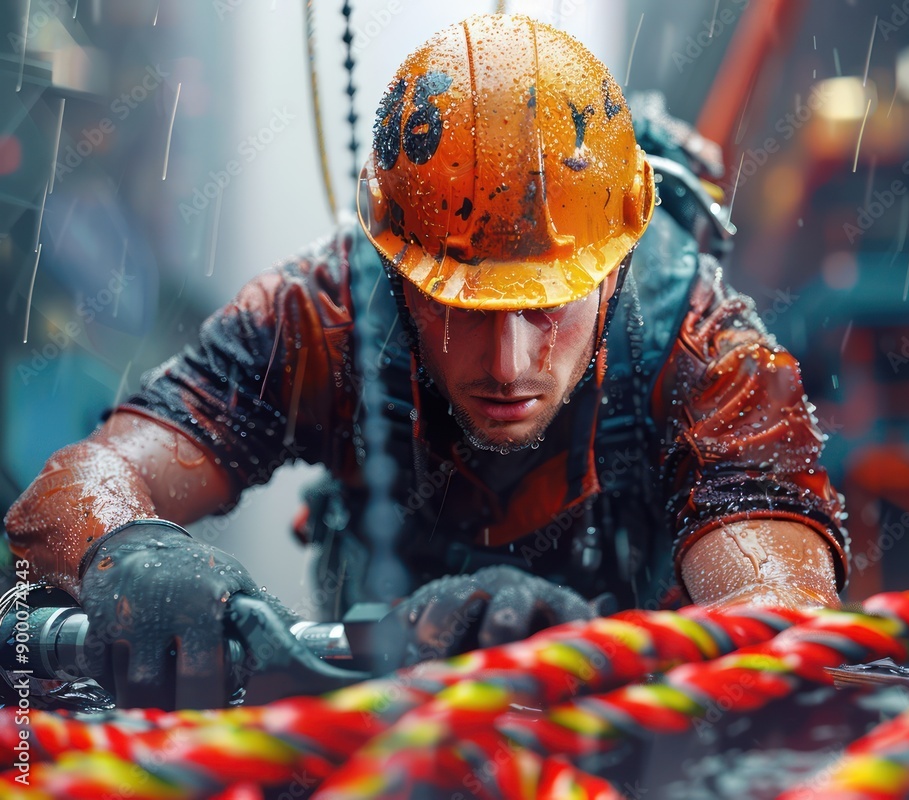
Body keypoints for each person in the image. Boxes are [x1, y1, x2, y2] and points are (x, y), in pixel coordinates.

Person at [3, 14, 848, 707]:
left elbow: (783, 628)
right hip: (379, 742)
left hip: (637, 749)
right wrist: (131, 547)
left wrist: (594, 653)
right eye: (458, 307)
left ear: (617, 264)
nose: (508, 361)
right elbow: (74, 488)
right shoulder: (323, 314)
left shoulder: (709, 352)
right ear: (395, 268)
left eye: (546, 306)